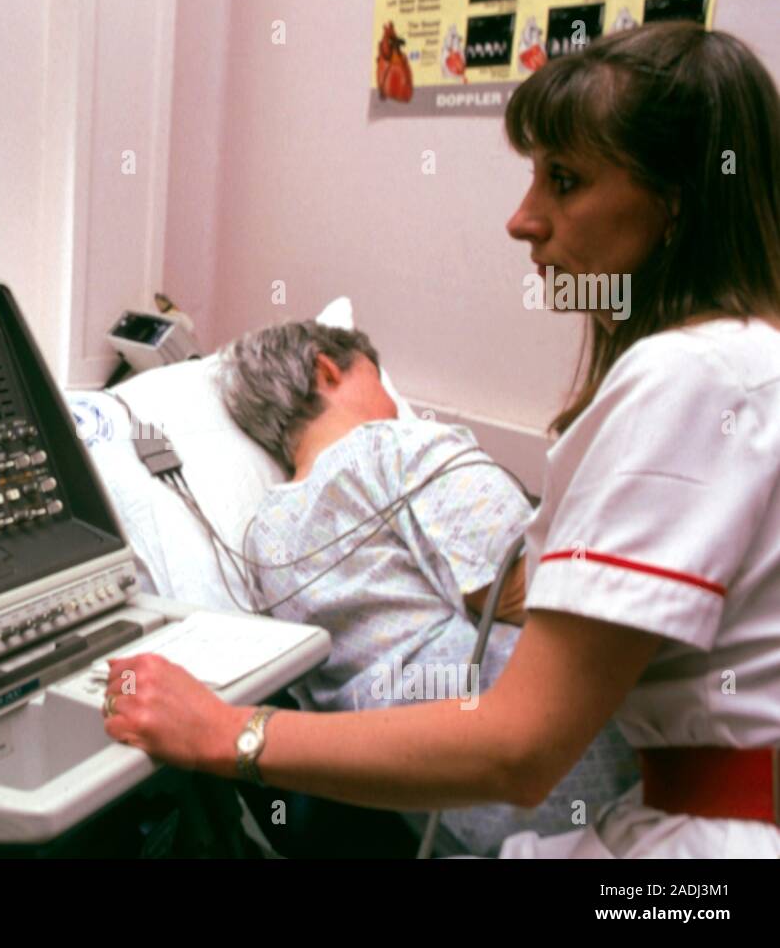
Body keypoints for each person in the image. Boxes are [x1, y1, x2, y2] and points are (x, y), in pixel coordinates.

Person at [101, 21, 780, 857]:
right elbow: (519, 644)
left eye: (563, 181)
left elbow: (519, 742)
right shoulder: (731, 367)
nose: (522, 221)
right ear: (328, 370)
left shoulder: (259, 537)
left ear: (676, 199)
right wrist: (231, 730)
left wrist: (233, 732)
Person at [217, 320, 638, 856]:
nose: (392, 400)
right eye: (379, 380)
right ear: (326, 369)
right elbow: (518, 591)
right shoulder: (394, 444)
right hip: (562, 762)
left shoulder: (263, 535)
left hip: (427, 798)